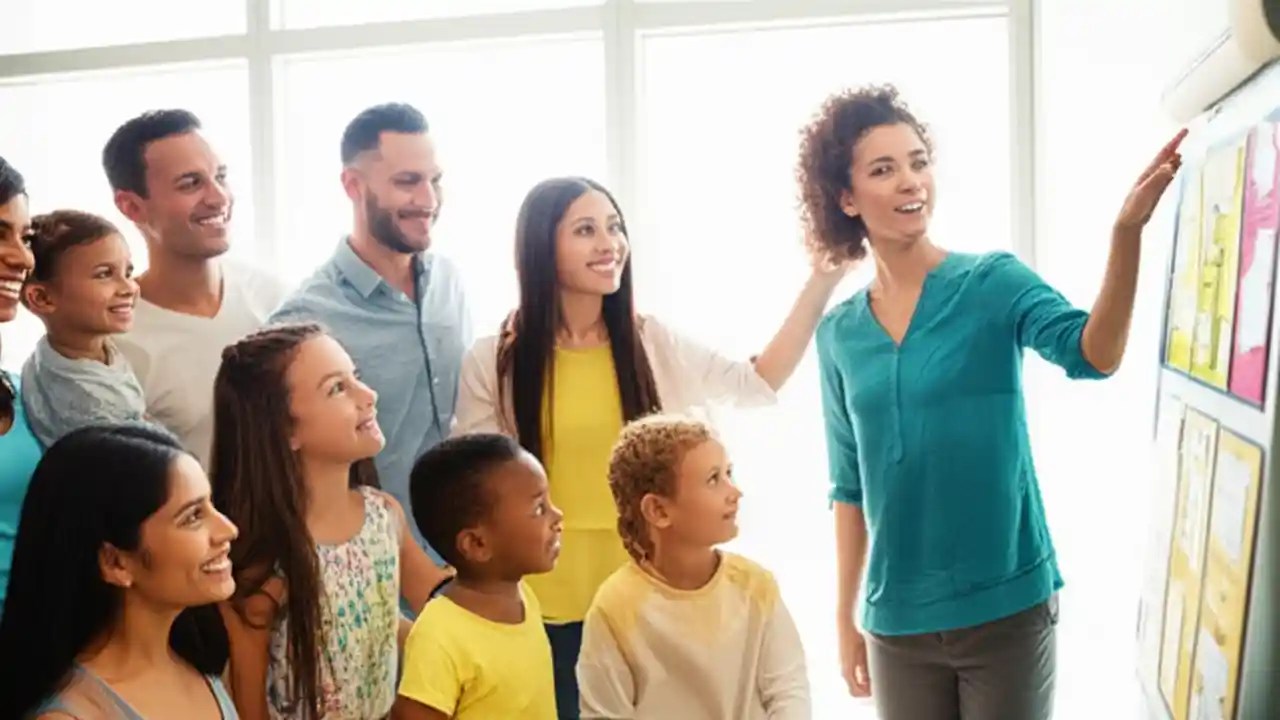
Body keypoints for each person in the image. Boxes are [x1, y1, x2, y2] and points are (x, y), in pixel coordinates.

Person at [796, 84, 1185, 719]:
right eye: (883, 169)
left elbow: (1094, 354)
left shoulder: (992, 282)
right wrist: (845, 619)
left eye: (919, 161)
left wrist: (1127, 232)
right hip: (896, 623)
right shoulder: (839, 334)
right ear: (845, 198)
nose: (909, 182)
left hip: (1006, 606)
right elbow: (849, 487)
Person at [452, 176, 848, 716]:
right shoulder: (494, 359)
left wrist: (821, 282)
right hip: (541, 605)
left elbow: (756, 383)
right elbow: (473, 484)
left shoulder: (650, 342)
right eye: (586, 230)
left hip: (643, 601)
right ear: (542, 247)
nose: (608, 243)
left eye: (614, 227)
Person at [212, 323, 452, 720]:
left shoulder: (385, 516)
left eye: (355, 377)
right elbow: (247, 705)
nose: (369, 395)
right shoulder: (267, 565)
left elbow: (432, 611)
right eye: (337, 388)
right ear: (285, 429)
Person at [271, 103, 470, 559]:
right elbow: (281, 472)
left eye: (434, 179)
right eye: (407, 182)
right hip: (363, 570)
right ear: (352, 185)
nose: (428, 199)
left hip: (461, 561)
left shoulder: (450, 283)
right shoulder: (303, 320)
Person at [577, 414, 809, 719]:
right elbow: (604, 714)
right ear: (658, 510)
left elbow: (789, 692)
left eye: (729, 473)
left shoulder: (755, 586)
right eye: (714, 479)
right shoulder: (615, 608)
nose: (735, 493)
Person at [0, 423, 239, 719]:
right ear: (115, 562)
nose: (228, 530)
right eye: (192, 517)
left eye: (210, 505)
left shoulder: (195, 660)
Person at [106, 109, 290, 469]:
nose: (219, 198)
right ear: (131, 206)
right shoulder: (117, 342)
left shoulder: (277, 301)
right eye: (191, 184)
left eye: (220, 176)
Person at [393, 433, 562, 719]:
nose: (557, 516)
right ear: (477, 544)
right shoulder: (440, 637)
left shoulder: (525, 595)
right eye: (538, 509)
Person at [19, 210, 146, 447]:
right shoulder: (85, 405)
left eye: (127, 272)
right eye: (104, 274)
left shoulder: (68, 352)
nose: (129, 287)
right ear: (42, 298)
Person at [0, 156, 40, 613]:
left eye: (25, 237)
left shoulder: (23, 389)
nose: (24, 257)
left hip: (30, 661)